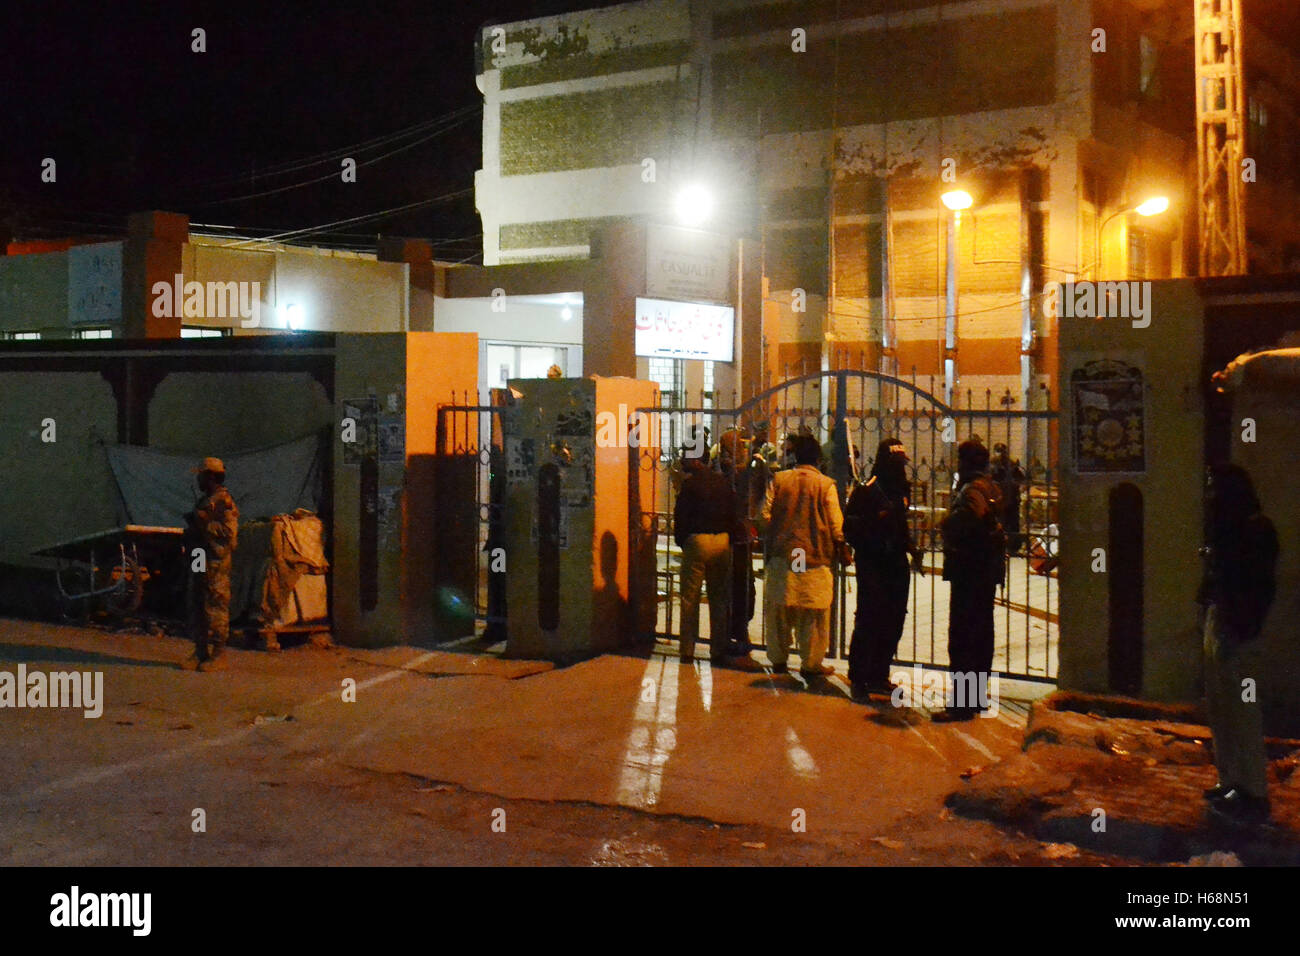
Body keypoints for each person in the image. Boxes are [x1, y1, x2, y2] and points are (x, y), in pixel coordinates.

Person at [1199, 463, 1279, 824]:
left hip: (1242, 631)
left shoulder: (1255, 529)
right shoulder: (1228, 528)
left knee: (1244, 713)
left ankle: (1254, 793)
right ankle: (1230, 781)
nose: (1210, 495)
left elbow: (1258, 585)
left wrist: (1243, 623)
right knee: (1221, 708)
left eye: (1216, 487)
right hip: (1221, 622)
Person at [759, 434, 846, 679]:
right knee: (813, 616)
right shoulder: (826, 484)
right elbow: (836, 524)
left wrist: (777, 532)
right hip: (813, 559)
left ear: (795, 456)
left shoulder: (779, 479)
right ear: (818, 459)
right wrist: (840, 545)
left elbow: (763, 516)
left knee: (779, 613)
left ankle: (778, 661)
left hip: (783, 556)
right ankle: (811, 664)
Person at [844, 439, 922, 699]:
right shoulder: (867, 491)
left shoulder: (901, 490)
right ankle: (858, 677)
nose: (900, 469)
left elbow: (902, 524)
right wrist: (874, 523)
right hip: (873, 562)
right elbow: (850, 528)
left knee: (894, 620)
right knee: (869, 618)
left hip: (897, 563)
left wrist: (911, 547)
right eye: (895, 464)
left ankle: (879, 674)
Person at [934, 440, 1003, 720]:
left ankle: (961, 705)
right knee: (981, 635)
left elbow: (967, 521)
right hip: (986, 571)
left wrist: (945, 525)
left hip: (970, 570)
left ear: (966, 463)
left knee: (963, 637)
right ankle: (975, 697)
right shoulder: (992, 486)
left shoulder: (973, 490)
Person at [673, 446, 742, 664]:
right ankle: (717, 650)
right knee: (719, 598)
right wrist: (728, 538)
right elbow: (733, 513)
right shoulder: (723, 483)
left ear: (695, 461)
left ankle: (687, 650)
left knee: (689, 598)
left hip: (697, 540)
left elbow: (681, 516)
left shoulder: (690, 485)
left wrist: (683, 541)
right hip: (721, 540)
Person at [183, 457, 239, 672]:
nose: (198, 479)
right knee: (197, 600)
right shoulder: (204, 500)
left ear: (212, 477)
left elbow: (229, 534)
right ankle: (200, 650)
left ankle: (218, 653)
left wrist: (205, 522)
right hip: (199, 556)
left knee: (215, 603)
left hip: (215, 560)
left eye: (201, 475)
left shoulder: (224, 501)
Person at [990, 443, 1026, 553]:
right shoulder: (992, 464)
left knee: (1012, 523)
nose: (1000, 453)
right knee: (1001, 522)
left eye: (1001, 451)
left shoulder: (1011, 464)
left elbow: (1021, 479)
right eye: (998, 450)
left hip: (1010, 497)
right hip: (1000, 498)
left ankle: (1012, 547)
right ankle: (1001, 546)